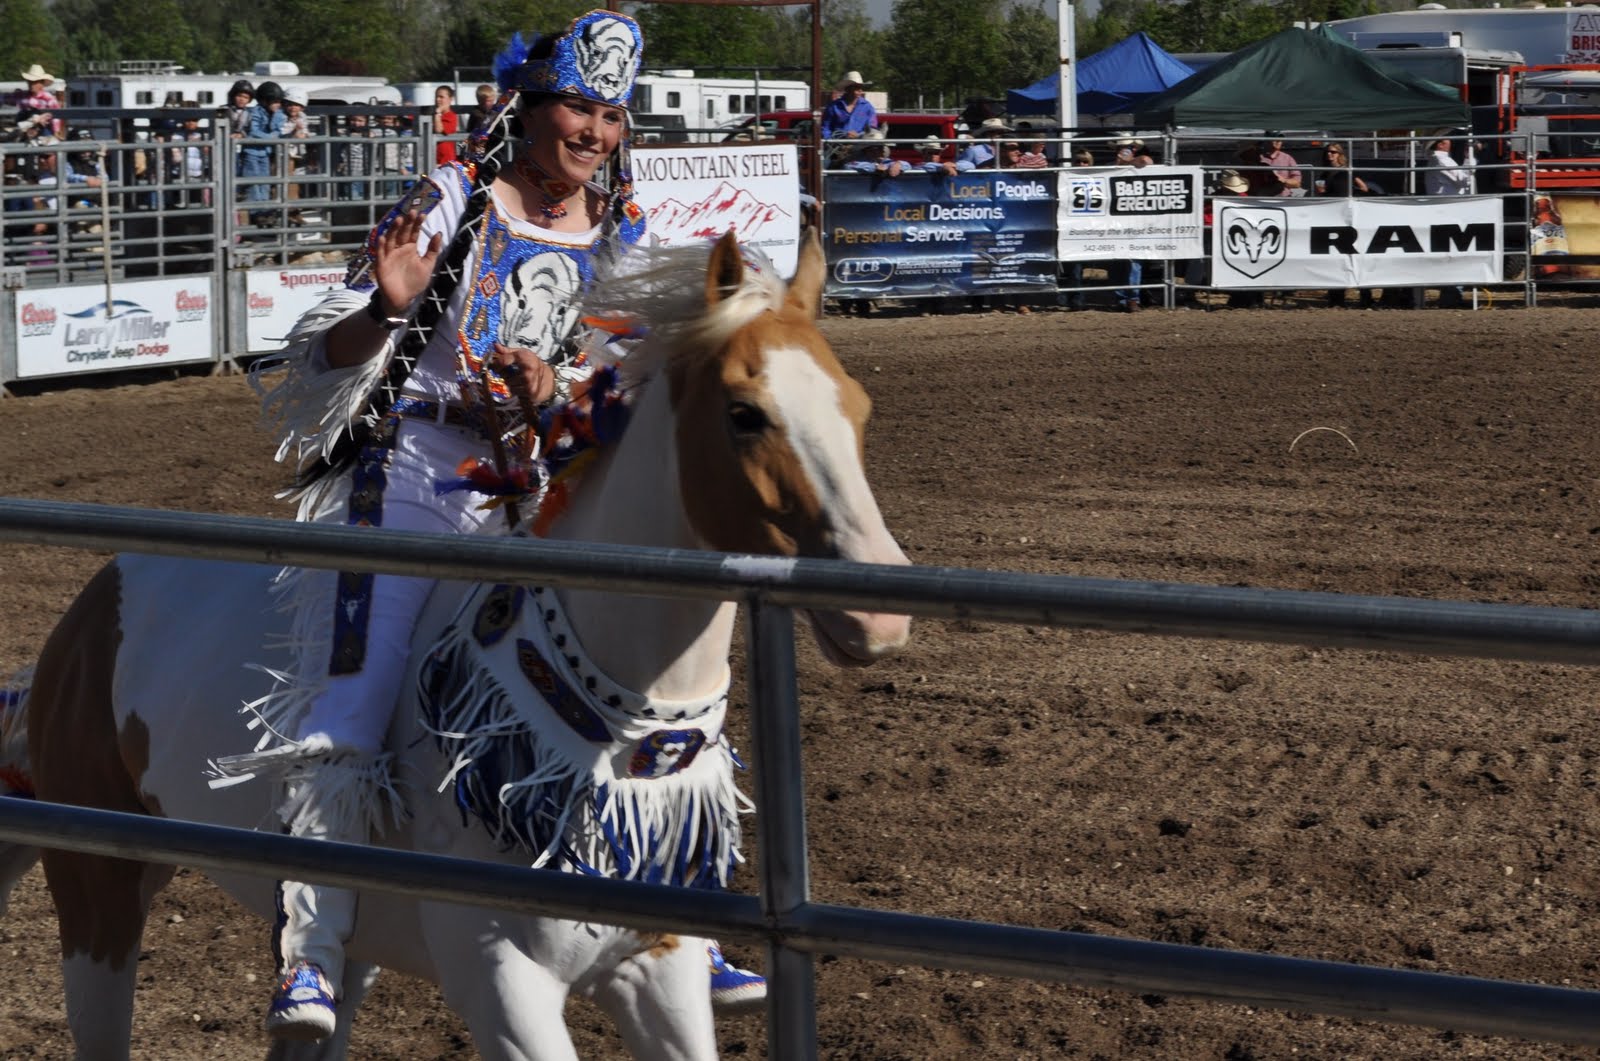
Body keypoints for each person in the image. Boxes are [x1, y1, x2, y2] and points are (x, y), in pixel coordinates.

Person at [227, 11, 761, 1039]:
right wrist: (388, 309)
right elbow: (318, 360)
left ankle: (684, 920)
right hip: (415, 481)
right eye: (579, 106)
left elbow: (630, 384)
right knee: (352, 702)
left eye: (612, 114)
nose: (595, 131)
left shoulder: (623, 231)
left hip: (540, 489)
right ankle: (315, 953)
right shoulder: (452, 199)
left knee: (654, 684)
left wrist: (554, 381)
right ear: (528, 104)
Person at [1318, 143, 1375, 309]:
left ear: (1339, 154)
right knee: (1335, 259)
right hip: (1332, 218)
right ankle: (1336, 297)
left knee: (1357, 256)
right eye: (1328, 152)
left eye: (1333, 152)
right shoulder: (1323, 173)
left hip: (1349, 218)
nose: (1330, 155)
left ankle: (1365, 296)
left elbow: (1363, 187)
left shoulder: (1347, 171)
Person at [1424, 135, 1477, 307]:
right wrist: (1470, 157)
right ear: (1441, 143)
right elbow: (1463, 179)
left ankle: (1452, 295)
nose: (1451, 142)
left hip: (1444, 210)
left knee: (1451, 252)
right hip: (1451, 211)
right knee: (1456, 252)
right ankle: (1452, 296)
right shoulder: (1441, 160)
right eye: (1447, 139)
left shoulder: (1438, 160)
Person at [241, 80, 288, 217]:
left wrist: (276, 119)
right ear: (265, 101)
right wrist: (270, 137)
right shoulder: (256, 112)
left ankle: (266, 209)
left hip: (265, 153)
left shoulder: (277, 114)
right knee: (254, 182)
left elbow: (278, 130)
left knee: (266, 182)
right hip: (252, 153)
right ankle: (256, 212)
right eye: (275, 102)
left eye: (279, 102)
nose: (277, 105)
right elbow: (253, 131)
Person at [820, 70, 878, 142]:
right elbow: (825, 128)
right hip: (837, 147)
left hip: (860, 147)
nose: (860, 90)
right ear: (847, 89)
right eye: (856, 87)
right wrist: (832, 142)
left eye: (861, 87)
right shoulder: (833, 107)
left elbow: (872, 129)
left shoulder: (867, 107)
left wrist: (859, 135)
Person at [1246, 132, 1303, 197]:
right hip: (1261, 199)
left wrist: (1283, 180)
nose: (1278, 141)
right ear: (1266, 140)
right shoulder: (1257, 157)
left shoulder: (1288, 158)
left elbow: (1297, 183)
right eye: (1275, 138)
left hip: (1283, 199)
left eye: (1280, 139)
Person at [17, 63, 61, 141]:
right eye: (30, 82)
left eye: (34, 82)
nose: (31, 84)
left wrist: (56, 132)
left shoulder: (49, 98)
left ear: (41, 83)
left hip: (43, 129)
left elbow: (56, 117)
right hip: (25, 128)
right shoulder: (23, 97)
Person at [433, 84, 459, 165]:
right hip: (434, 158)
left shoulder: (451, 116)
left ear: (450, 99)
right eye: (436, 97)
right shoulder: (434, 115)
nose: (438, 99)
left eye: (441, 97)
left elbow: (438, 129)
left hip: (446, 160)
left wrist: (437, 113)